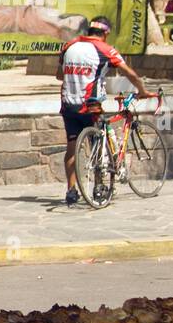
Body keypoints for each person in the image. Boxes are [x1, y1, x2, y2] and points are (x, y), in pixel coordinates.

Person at [57, 16, 153, 207]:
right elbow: (130, 73)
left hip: (68, 105)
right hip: (90, 106)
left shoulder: (69, 46)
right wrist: (142, 91)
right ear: (106, 33)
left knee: (71, 148)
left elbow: (59, 75)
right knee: (97, 146)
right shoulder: (105, 49)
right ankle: (99, 187)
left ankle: (71, 190)